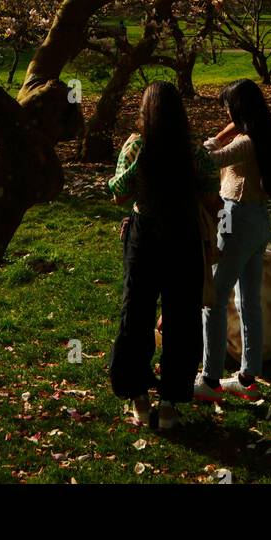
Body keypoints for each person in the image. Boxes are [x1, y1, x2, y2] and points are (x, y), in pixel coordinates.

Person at [108, 81, 218, 432]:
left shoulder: (136, 145)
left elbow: (119, 195)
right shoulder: (193, 149)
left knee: (136, 313)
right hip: (183, 235)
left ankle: (138, 397)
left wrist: (137, 168)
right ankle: (169, 403)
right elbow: (212, 194)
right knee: (181, 317)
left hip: (146, 236)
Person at [195, 79, 271, 403]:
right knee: (248, 299)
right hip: (258, 220)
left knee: (215, 299)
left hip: (237, 219)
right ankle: (248, 376)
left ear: (238, 112)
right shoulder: (261, 137)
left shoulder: (246, 143)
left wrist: (218, 136)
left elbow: (205, 159)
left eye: (228, 110)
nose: (226, 115)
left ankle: (210, 379)